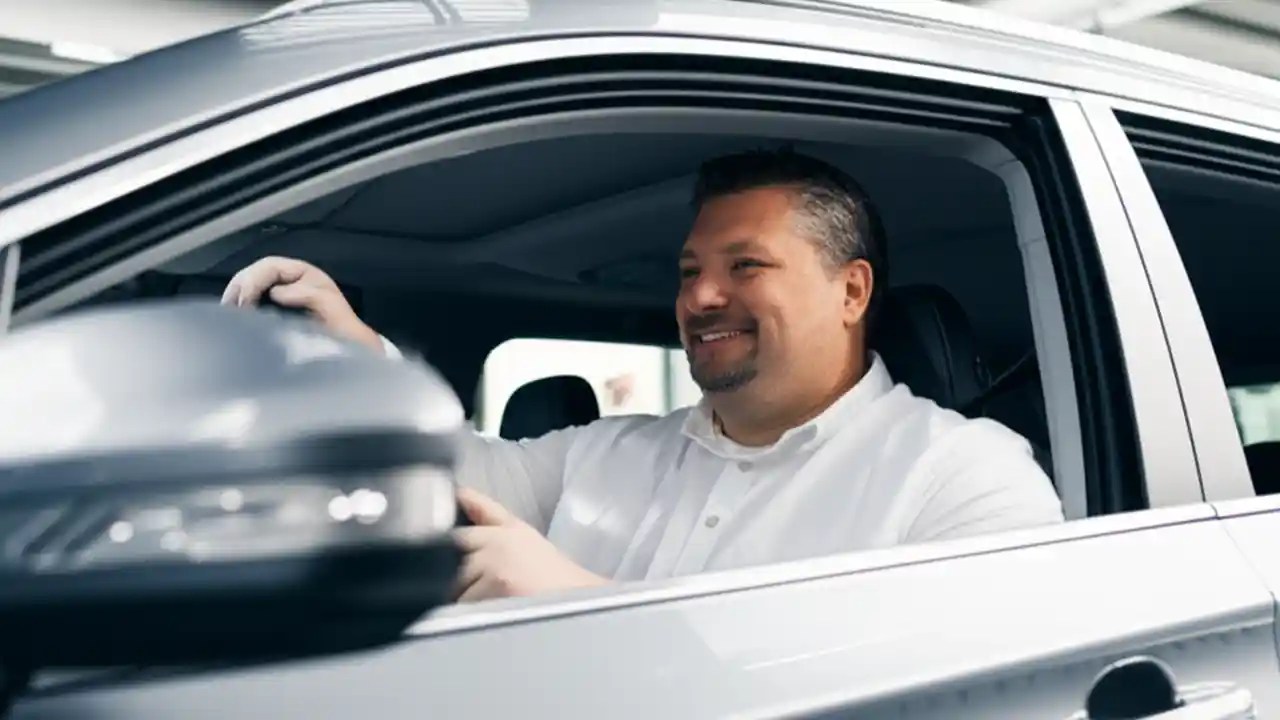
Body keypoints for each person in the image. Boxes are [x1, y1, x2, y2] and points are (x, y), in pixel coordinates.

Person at [221, 149, 1065, 603]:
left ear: (851, 290)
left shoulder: (963, 477)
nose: (701, 295)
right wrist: (355, 350)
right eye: (689, 269)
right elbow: (461, 470)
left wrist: (579, 605)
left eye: (746, 266)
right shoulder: (611, 454)